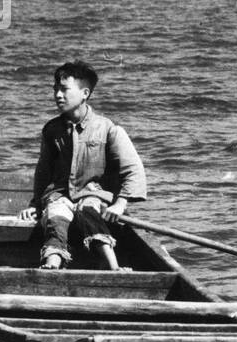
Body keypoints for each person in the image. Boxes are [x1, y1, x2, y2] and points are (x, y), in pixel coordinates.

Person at [18, 60, 147, 270]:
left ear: (84, 93)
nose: (58, 95)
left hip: (93, 196)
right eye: (55, 90)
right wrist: (35, 205)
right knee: (55, 217)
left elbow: (133, 169)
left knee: (88, 212)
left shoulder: (108, 129)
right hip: (60, 196)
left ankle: (113, 267)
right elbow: (43, 172)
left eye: (64, 90)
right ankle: (52, 264)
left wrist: (121, 203)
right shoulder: (51, 130)